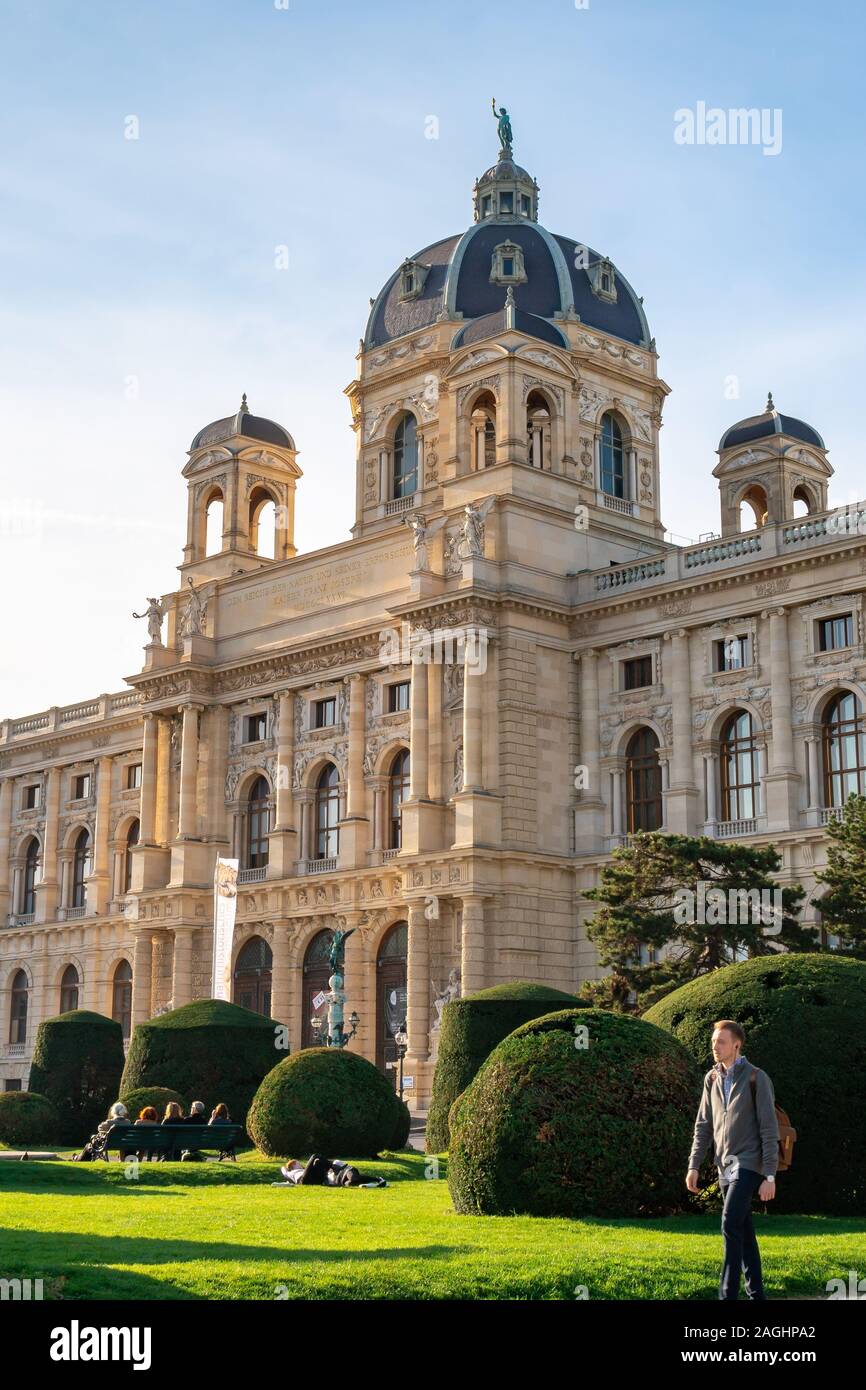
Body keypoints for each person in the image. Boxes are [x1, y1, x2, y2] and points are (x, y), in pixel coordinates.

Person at [686, 1019, 779, 1301]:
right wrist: (693, 1165)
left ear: (736, 1045)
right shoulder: (711, 1078)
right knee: (743, 1230)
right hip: (724, 1164)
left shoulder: (756, 1077)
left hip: (749, 1162)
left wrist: (770, 1175)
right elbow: (703, 1125)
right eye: (714, 1041)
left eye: (721, 1041)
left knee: (728, 1221)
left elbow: (769, 1128)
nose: (715, 1046)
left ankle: (727, 1295)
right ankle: (757, 1295)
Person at [276, 1155, 387, 1188]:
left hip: (315, 1180)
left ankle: (376, 1180)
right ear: (295, 1164)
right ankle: (335, 1168)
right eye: (298, 1163)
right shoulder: (292, 1172)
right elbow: (283, 1171)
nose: (301, 1164)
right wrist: (286, 1168)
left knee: (318, 1161)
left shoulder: (307, 1170)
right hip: (303, 1180)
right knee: (315, 1156)